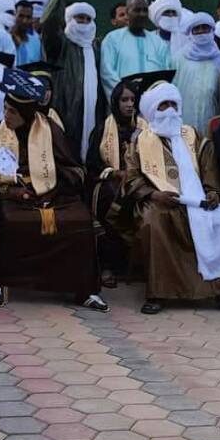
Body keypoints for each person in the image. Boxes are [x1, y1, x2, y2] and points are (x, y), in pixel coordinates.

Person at [0, 68, 106, 310]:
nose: (6, 116)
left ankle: (85, 289)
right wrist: (7, 192)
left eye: (12, 112)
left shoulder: (50, 130)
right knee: (10, 219)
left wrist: (51, 188)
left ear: (26, 113)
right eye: (5, 109)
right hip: (11, 196)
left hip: (53, 195)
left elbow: (74, 170)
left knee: (79, 221)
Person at [126, 82, 220, 316]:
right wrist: (153, 194)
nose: (170, 110)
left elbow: (209, 169)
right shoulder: (140, 141)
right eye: (163, 105)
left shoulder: (193, 135)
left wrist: (213, 191)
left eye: (174, 104)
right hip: (160, 201)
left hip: (197, 200)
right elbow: (131, 179)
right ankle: (158, 293)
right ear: (152, 111)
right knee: (154, 222)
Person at [37, 0, 107, 158]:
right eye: (78, 18)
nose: (83, 22)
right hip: (64, 114)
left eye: (87, 19)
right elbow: (48, 20)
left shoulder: (96, 47)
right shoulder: (59, 45)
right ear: (69, 20)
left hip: (94, 117)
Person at [88, 74, 149, 288]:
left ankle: (139, 264)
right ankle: (108, 265)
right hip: (110, 178)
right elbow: (92, 162)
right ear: (115, 102)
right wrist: (114, 173)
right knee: (108, 197)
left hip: (139, 180)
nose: (130, 104)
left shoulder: (145, 128)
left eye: (133, 100)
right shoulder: (103, 128)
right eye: (124, 100)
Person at [100, 0, 173, 96]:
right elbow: (107, 73)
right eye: (137, 10)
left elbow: (166, 71)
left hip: (153, 102)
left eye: (145, 10)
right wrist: (125, 95)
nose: (142, 14)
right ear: (127, 13)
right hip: (125, 103)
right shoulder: (113, 39)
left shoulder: (158, 42)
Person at [172, 12, 220, 135]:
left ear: (212, 31)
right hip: (183, 120)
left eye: (205, 28)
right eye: (197, 29)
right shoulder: (178, 58)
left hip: (212, 121)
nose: (201, 32)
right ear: (190, 32)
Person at [11, 0, 49, 65]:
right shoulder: (5, 37)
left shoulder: (37, 40)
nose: (25, 21)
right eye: (21, 16)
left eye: (29, 17)